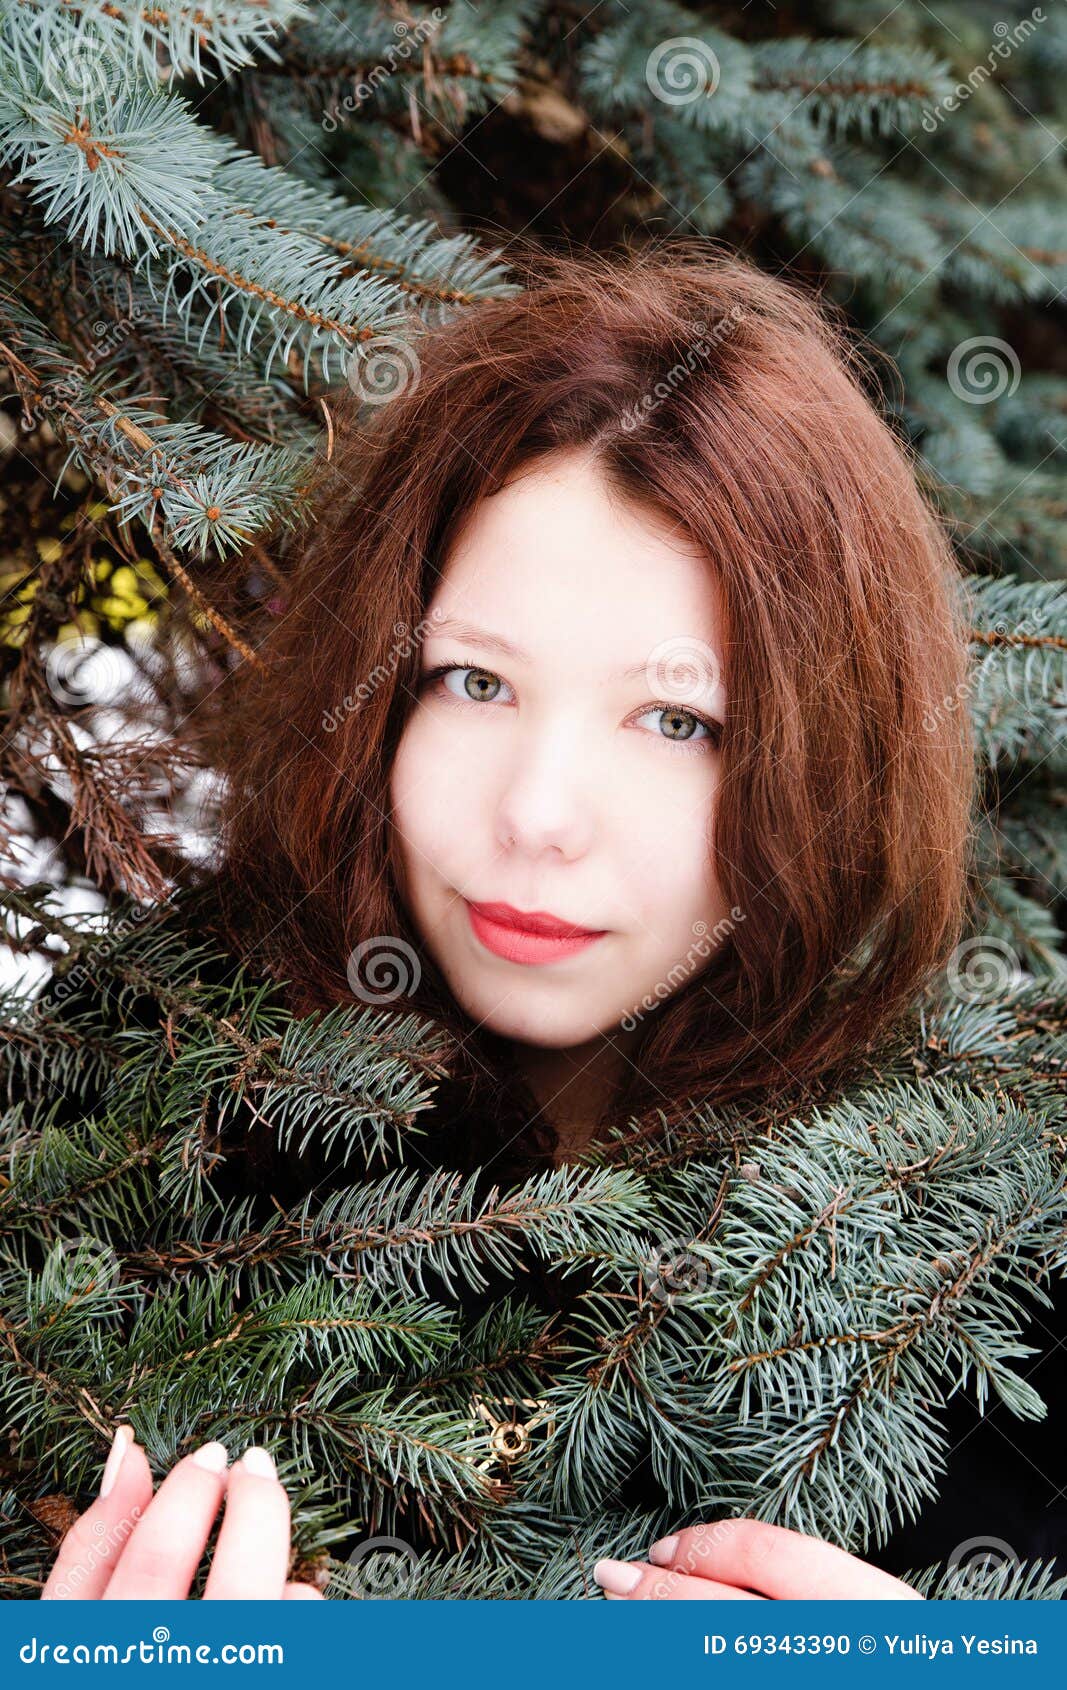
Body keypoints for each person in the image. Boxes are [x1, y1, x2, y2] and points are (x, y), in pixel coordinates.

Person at [45, 239, 1011, 1601]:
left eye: (677, 720)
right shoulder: (109, 1096)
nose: (539, 813)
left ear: (826, 761)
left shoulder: (996, 1254)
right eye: (476, 683)